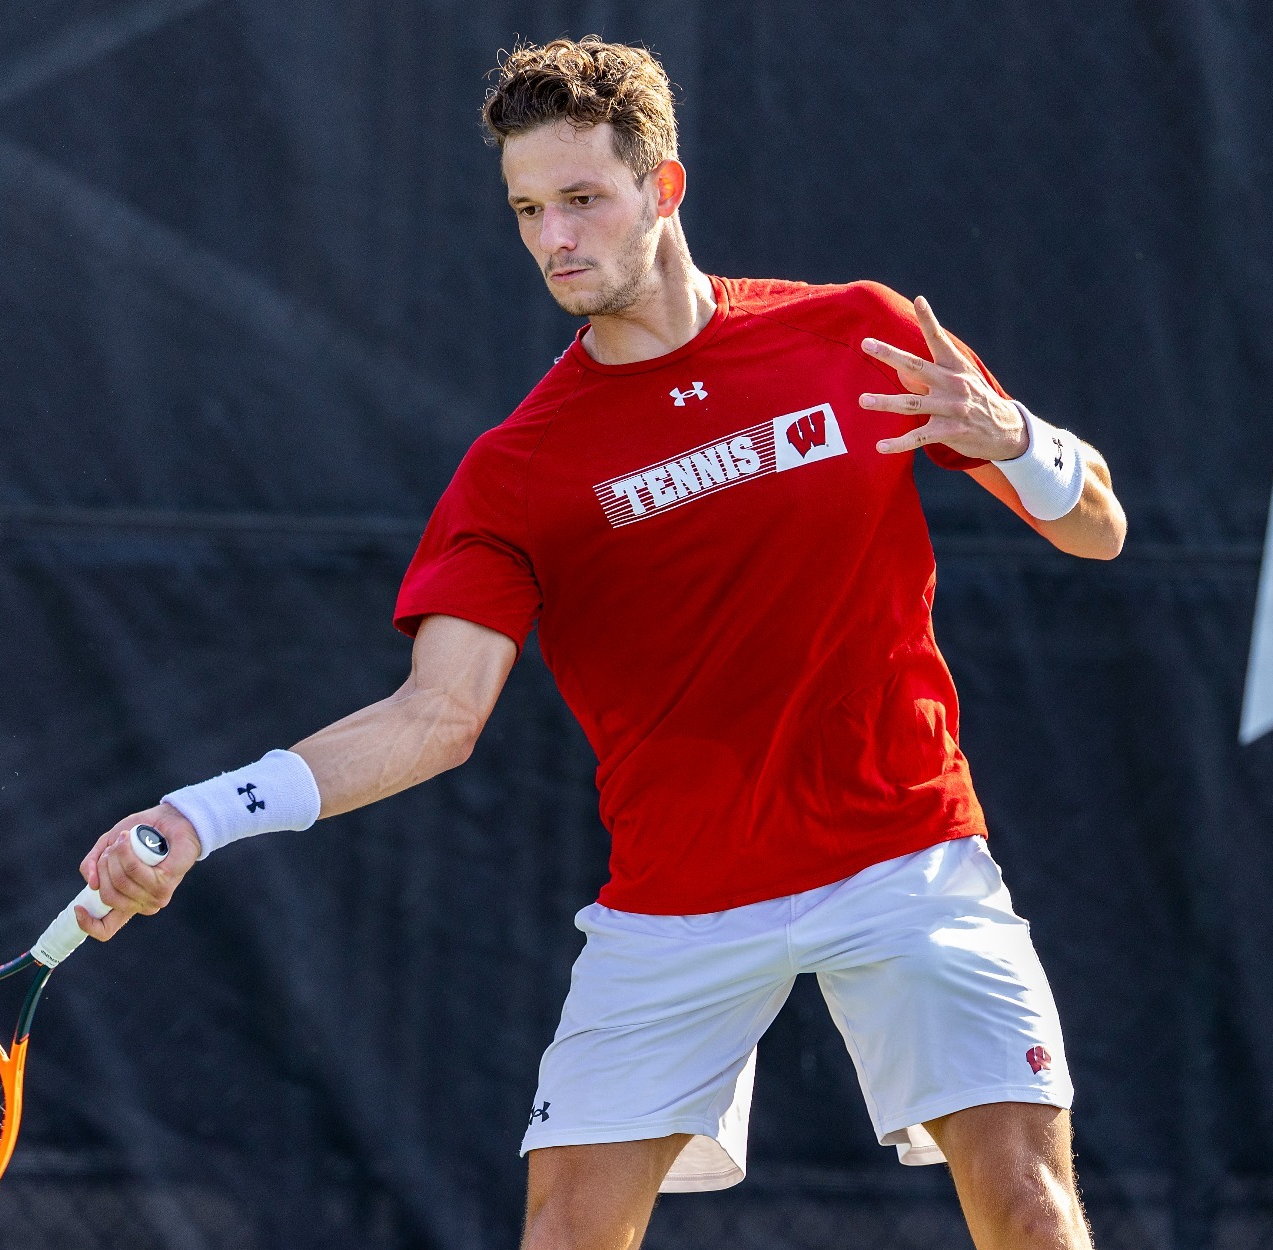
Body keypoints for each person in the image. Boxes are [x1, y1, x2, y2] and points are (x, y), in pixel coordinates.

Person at [72, 35, 1125, 1250]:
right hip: (677, 902)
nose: (554, 239)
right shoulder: (516, 473)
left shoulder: (860, 337)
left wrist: (1014, 439)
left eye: (583, 198)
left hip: (907, 854)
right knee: (568, 1228)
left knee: (1030, 1207)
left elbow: (1096, 526)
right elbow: (434, 715)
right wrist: (205, 814)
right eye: (528, 209)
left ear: (662, 187)